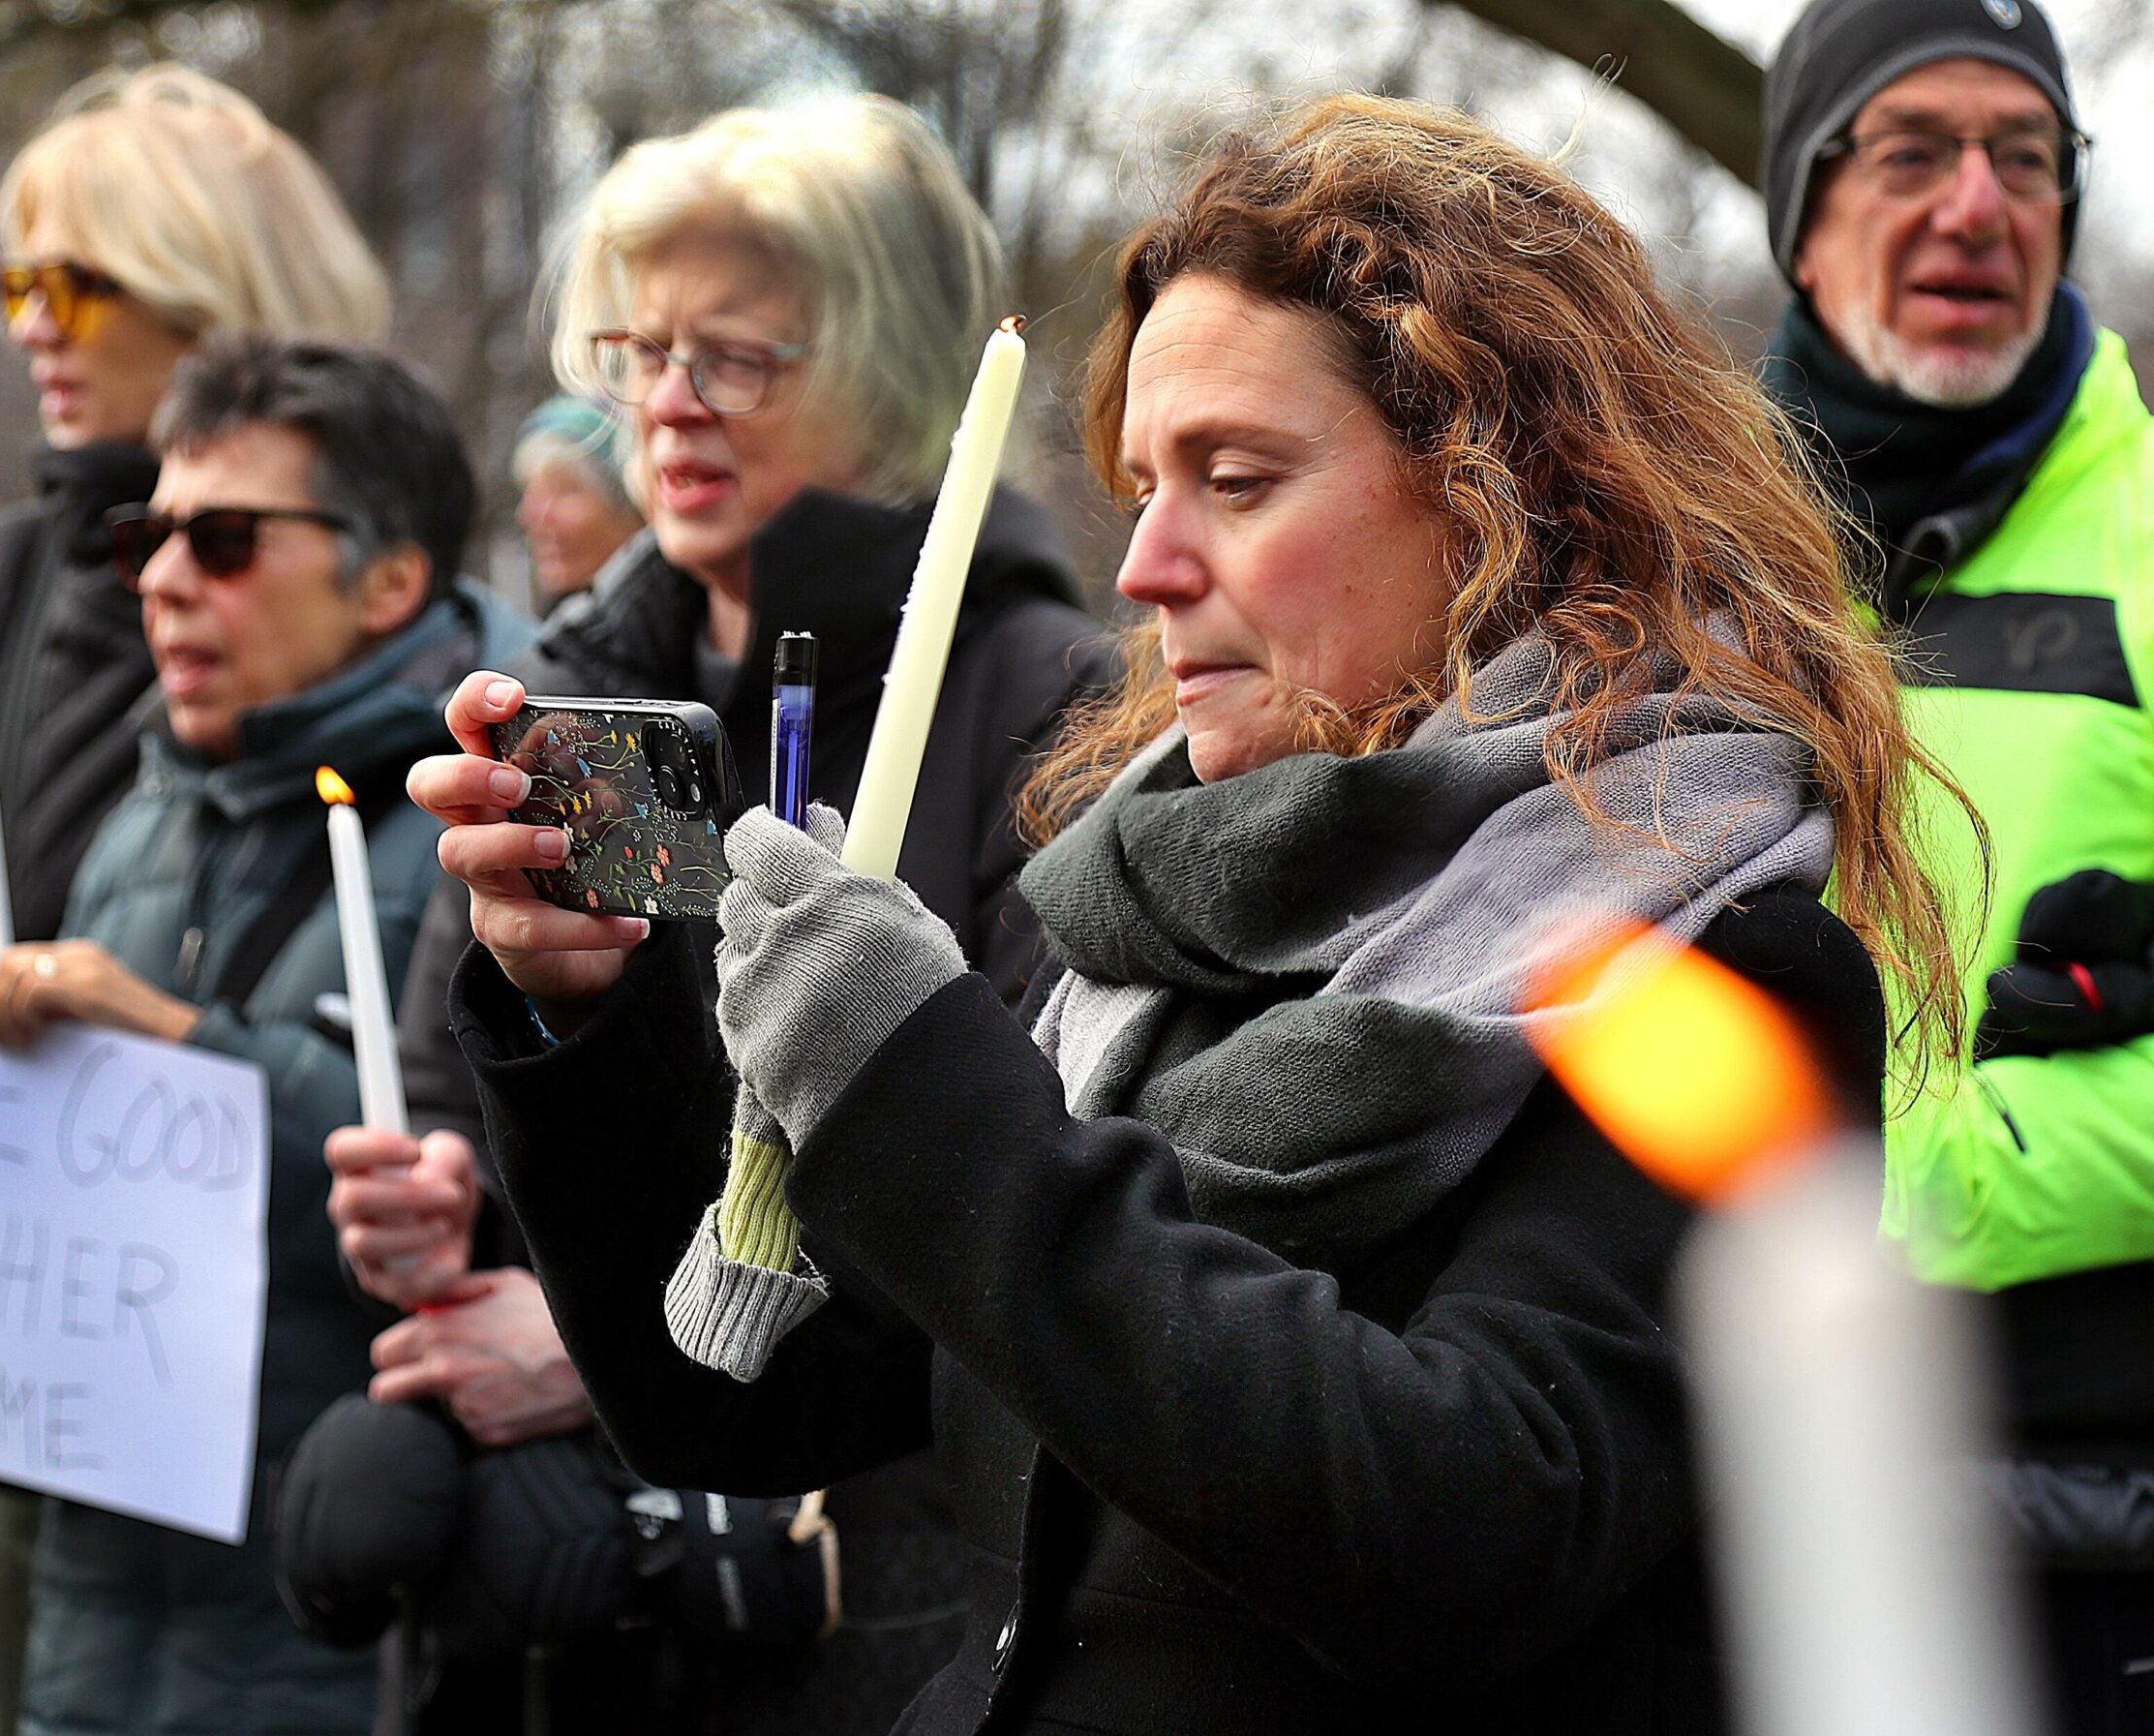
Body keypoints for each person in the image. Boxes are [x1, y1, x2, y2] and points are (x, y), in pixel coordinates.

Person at [415, 94, 1975, 1734]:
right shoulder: (1155, 913)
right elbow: (748, 1390)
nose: (1146, 566)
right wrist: (585, 1014)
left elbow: (1469, 1523)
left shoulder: (1719, 962)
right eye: (1142, 482)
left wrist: (924, 1086)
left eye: (1235, 479)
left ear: (1496, 497)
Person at [320, 95, 1111, 1732]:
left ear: (893, 369)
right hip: (550, 1612)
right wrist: (452, 1182)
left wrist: (586, 1344)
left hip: (855, 1614)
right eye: (634, 349)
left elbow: (1016, 1198)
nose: (665, 406)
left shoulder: (1052, 711)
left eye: (733, 357)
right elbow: (462, 1063)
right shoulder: (585, 681)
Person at [0, 64, 387, 1736]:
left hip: (208, 1382)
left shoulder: (333, 591)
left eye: (75, 281)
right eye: (12, 284)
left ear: (216, 294)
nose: (31, 327)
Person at [0, 332, 481, 1736]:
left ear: (391, 579)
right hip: (94, 1606)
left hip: (331, 1621)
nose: (162, 576)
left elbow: (472, 1199)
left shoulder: (487, 825)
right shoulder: (147, 806)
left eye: (227, 537)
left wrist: (164, 1037)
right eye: (149, 530)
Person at [1757, 2, 2154, 1727]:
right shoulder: (1667, 563)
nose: (1979, 206)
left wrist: (1917, 1174)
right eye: (1913, 150)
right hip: (1708, 1506)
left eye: (2028, 157)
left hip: (2098, 1544)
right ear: (1803, 207)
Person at [512, 395, 643, 610]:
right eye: (530, 491)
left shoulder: (685, 634)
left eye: (563, 489)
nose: (532, 515)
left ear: (632, 505)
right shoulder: (550, 636)